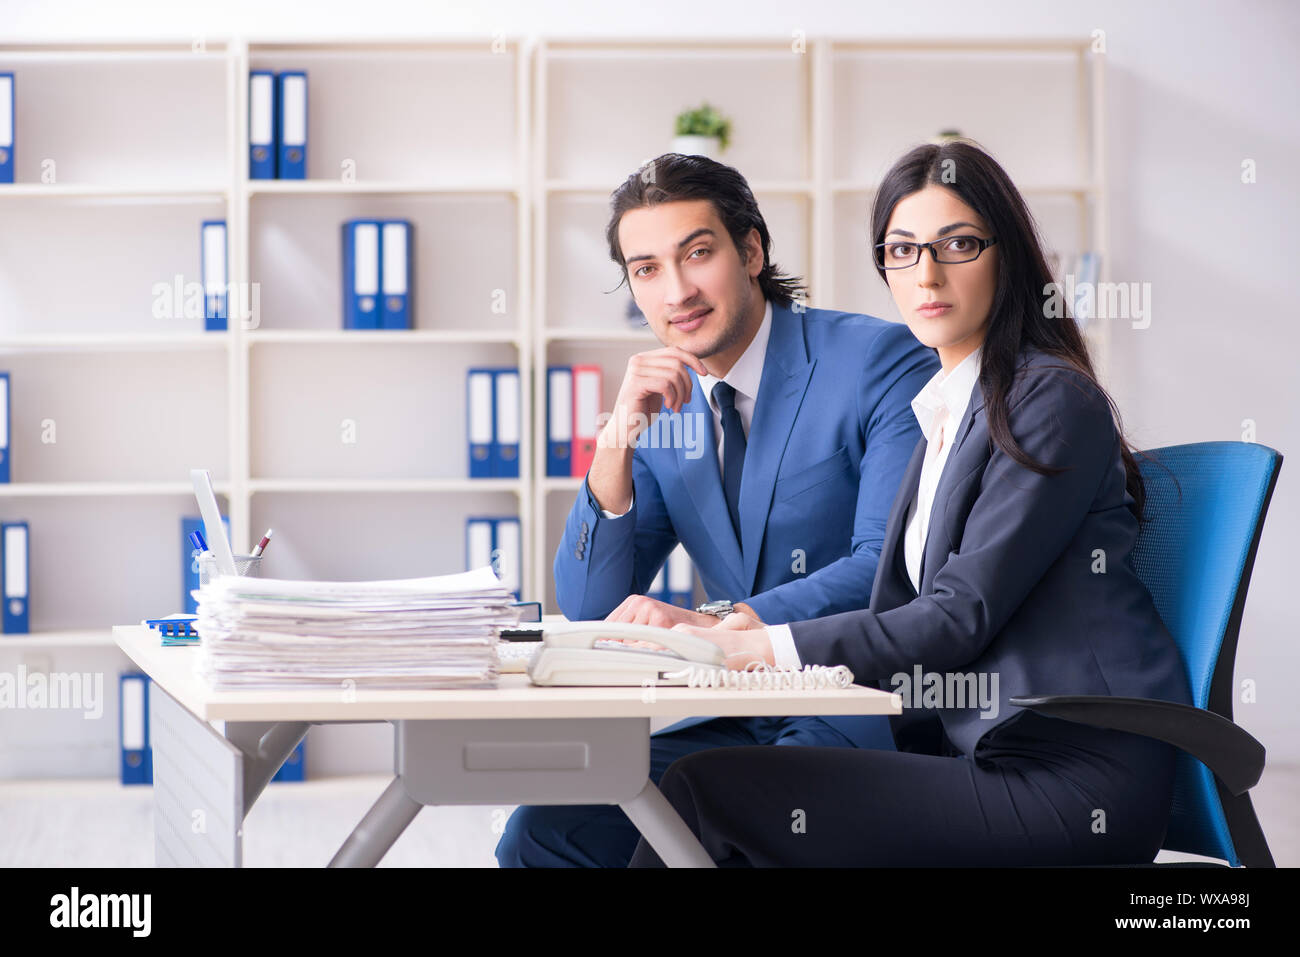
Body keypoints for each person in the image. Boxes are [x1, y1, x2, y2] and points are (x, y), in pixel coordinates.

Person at [627, 140, 1194, 867]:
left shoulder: (1047, 396)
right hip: (982, 757)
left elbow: (957, 614)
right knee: (699, 797)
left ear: (1006, 254)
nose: (925, 273)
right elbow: (904, 615)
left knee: (702, 795)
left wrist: (746, 647)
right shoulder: (947, 414)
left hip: (1074, 777)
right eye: (901, 250)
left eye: (957, 244)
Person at [495, 153, 939, 867]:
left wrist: (716, 623)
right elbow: (589, 607)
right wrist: (614, 444)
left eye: (697, 253)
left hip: (851, 701)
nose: (676, 291)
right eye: (646, 269)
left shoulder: (879, 362)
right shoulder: (666, 407)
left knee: (701, 831)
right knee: (543, 832)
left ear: (752, 250)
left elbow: (888, 571)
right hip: (731, 709)